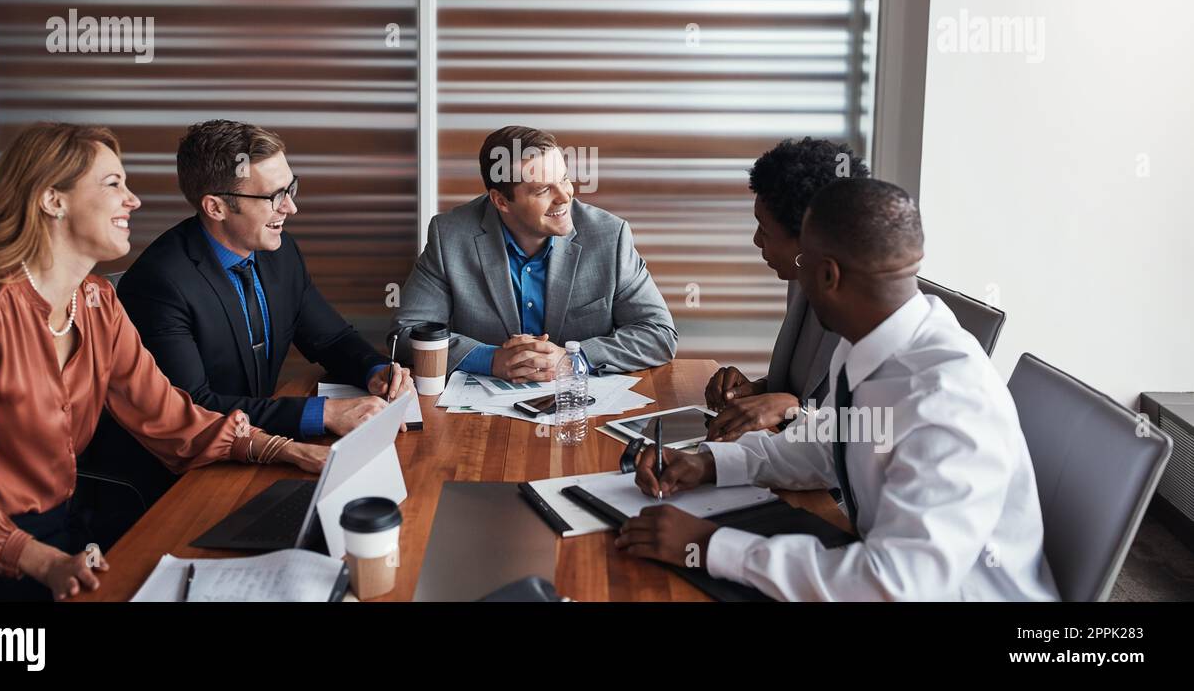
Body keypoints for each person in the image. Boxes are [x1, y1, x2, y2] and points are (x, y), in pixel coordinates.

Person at [0, 123, 327, 601]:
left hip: (55, 540)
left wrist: (282, 449)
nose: (133, 200)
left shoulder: (98, 302)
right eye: (113, 184)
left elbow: (170, 418)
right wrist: (43, 561)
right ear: (52, 200)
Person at [615, 178, 1059, 601]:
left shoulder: (947, 404)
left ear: (828, 276)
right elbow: (830, 443)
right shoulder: (871, 341)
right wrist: (708, 464)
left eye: (802, 261)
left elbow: (894, 587)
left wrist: (713, 547)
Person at [116, 120, 411, 443]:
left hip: (258, 444)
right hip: (183, 471)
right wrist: (325, 413)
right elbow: (195, 406)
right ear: (215, 207)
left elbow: (331, 339)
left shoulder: (280, 254)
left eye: (290, 188)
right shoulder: (160, 284)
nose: (291, 207)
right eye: (274, 196)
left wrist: (376, 372)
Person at [392, 125, 676, 380]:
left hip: (579, 412)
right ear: (501, 201)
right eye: (543, 190)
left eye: (564, 179)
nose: (565, 196)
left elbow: (659, 335)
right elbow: (405, 336)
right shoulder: (450, 236)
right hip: (481, 420)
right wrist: (491, 359)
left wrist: (573, 358)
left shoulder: (609, 237)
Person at [705, 138, 869, 441]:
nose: (756, 241)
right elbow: (805, 389)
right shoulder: (803, 278)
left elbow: (870, 433)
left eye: (765, 230)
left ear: (810, 241)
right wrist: (755, 391)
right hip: (786, 454)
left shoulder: (870, 317)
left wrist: (791, 410)